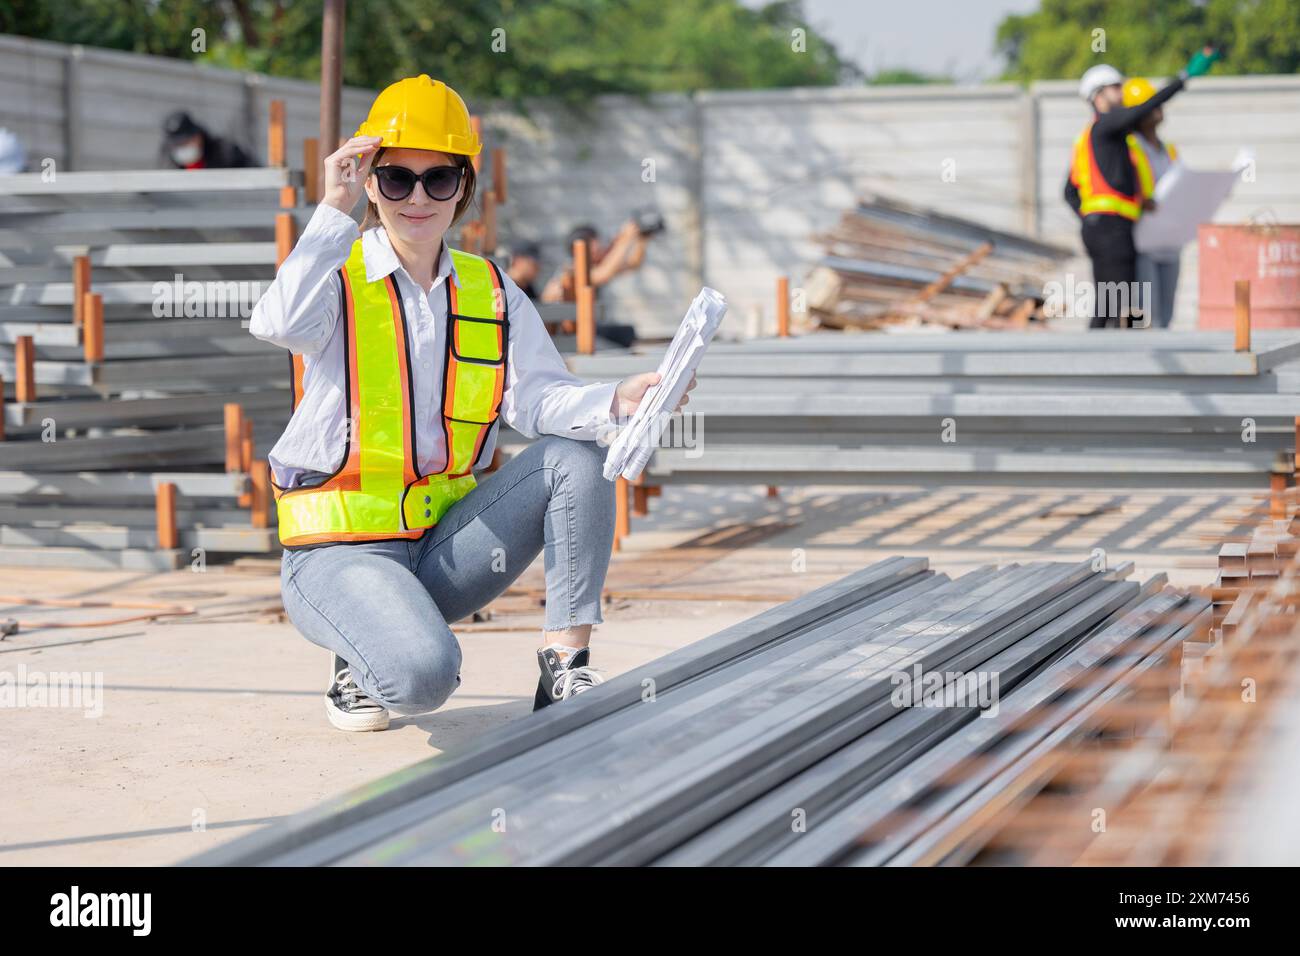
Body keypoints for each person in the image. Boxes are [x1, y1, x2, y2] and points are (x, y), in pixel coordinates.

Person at [249, 75, 693, 732]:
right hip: (339, 551)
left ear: (464, 186)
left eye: (439, 179)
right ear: (371, 182)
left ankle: (564, 663)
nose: (418, 197)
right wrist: (333, 209)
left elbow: (540, 397)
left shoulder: (490, 291)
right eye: (397, 178)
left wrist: (617, 401)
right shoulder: (336, 279)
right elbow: (277, 323)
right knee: (423, 678)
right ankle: (360, 647)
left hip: (443, 549)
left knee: (576, 453)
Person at [1065, 47, 1219, 328]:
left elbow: (1069, 192)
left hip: (1109, 228)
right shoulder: (1106, 127)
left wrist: (1091, 218)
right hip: (1111, 230)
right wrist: (1182, 79)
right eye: (1114, 88)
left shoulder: (1099, 137)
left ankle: (1104, 362)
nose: (1121, 93)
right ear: (1097, 97)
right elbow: (1144, 109)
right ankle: (1094, 364)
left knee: (1114, 305)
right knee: (1115, 305)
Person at [1124, 77, 1183, 329]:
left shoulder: (1169, 150)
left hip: (1169, 240)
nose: (1159, 108)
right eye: (1152, 104)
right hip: (1143, 242)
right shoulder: (1128, 147)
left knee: (1166, 318)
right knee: (1147, 317)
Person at [160, 110, 254, 169]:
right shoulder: (170, 164)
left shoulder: (226, 152)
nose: (182, 146)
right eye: (177, 144)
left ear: (198, 136)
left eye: (185, 142)